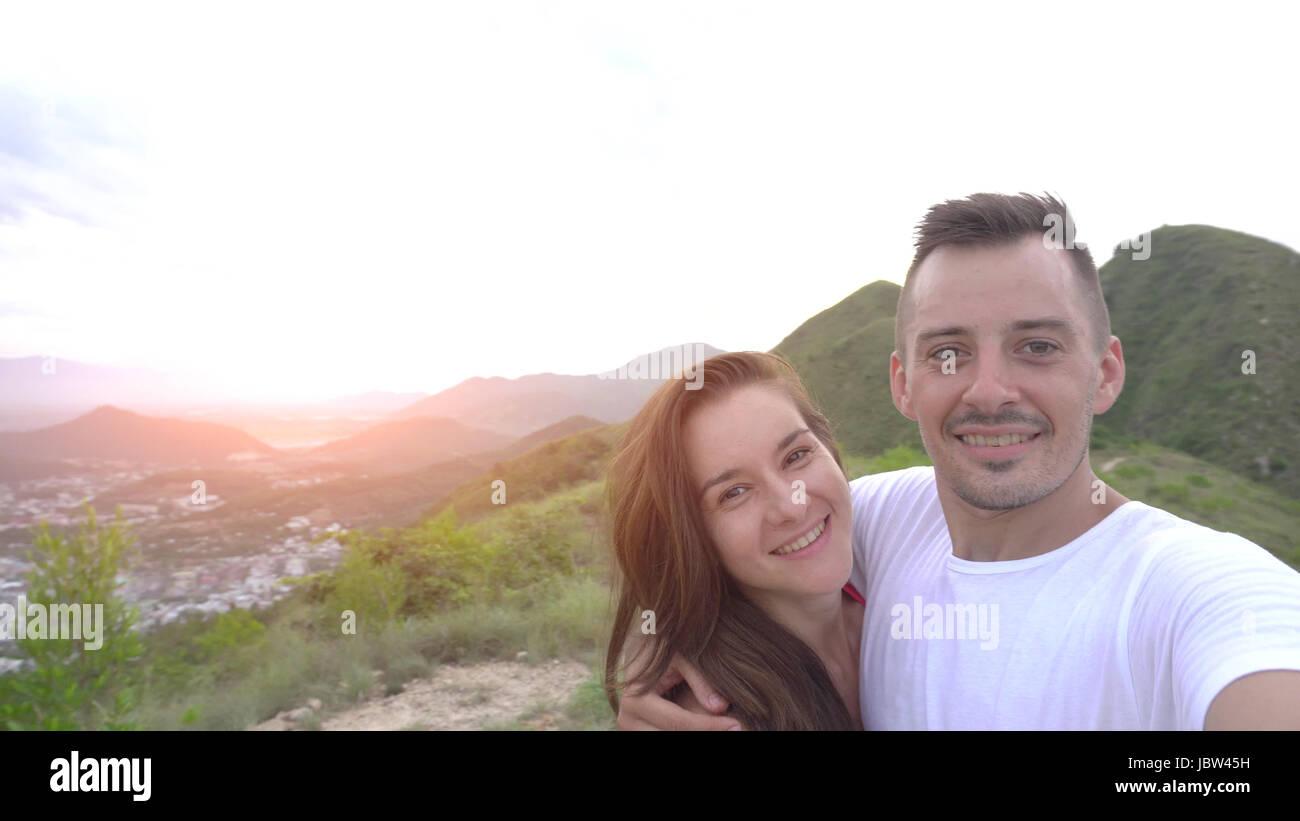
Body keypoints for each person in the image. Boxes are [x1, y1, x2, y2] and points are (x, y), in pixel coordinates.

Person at [616, 192, 1300, 730]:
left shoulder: (1197, 591)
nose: (991, 391)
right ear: (903, 382)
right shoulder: (886, 519)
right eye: (949, 352)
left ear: (1107, 371)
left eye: (1037, 346)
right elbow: (714, 552)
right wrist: (670, 656)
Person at [603, 351, 865, 730]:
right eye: (734, 492)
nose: (791, 506)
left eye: (796, 456)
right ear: (693, 539)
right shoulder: (714, 715)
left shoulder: (897, 572)